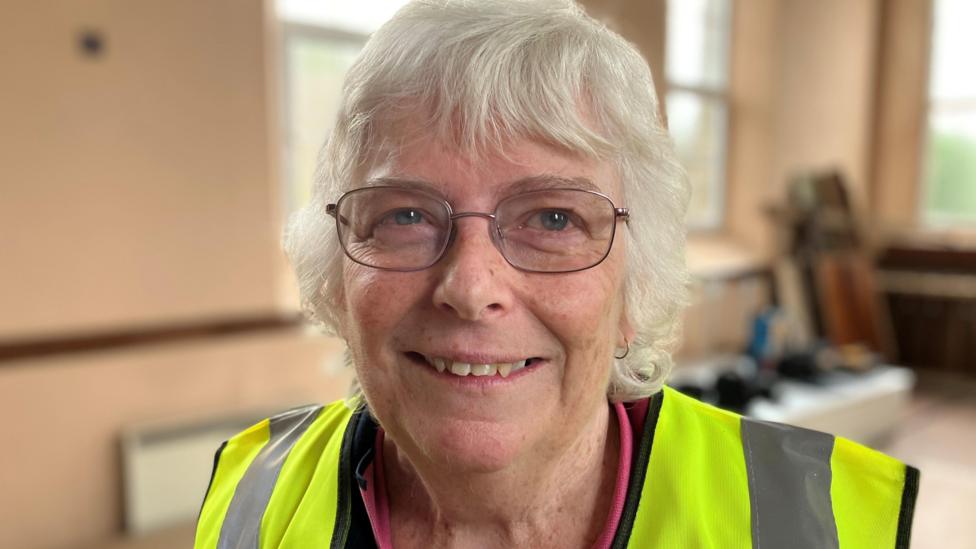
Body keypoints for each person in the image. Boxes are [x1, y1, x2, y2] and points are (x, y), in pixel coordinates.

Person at [195, 1, 919, 547]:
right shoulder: (251, 493)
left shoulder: (822, 519)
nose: (471, 287)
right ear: (336, 274)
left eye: (552, 218)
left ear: (635, 284)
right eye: (405, 215)